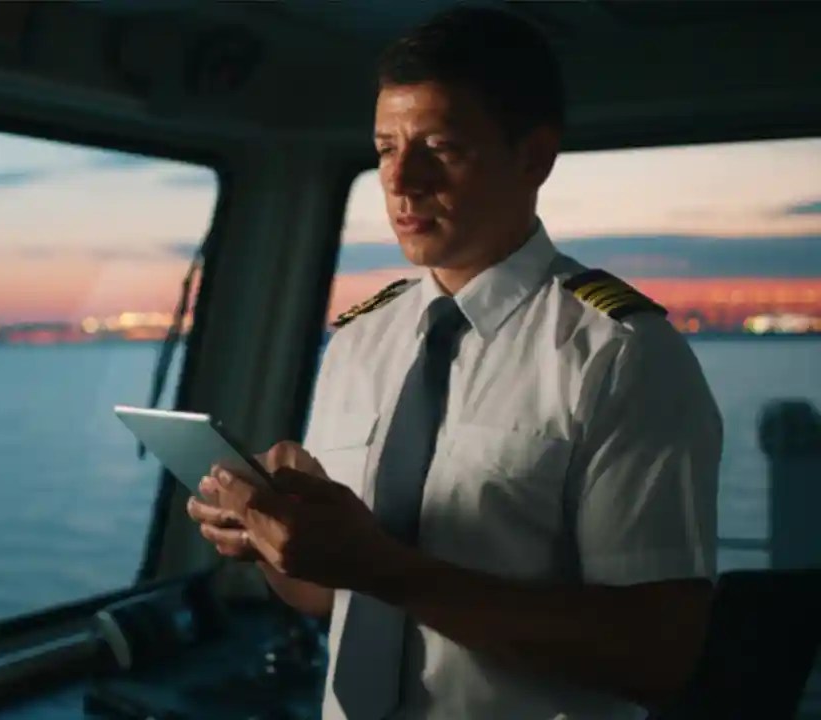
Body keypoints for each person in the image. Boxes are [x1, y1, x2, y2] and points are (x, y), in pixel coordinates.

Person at [186, 5, 722, 720]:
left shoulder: (622, 356)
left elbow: (657, 656)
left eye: (439, 146)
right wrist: (275, 544)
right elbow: (337, 598)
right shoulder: (357, 342)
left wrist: (383, 566)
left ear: (533, 157)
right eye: (383, 148)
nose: (401, 180)